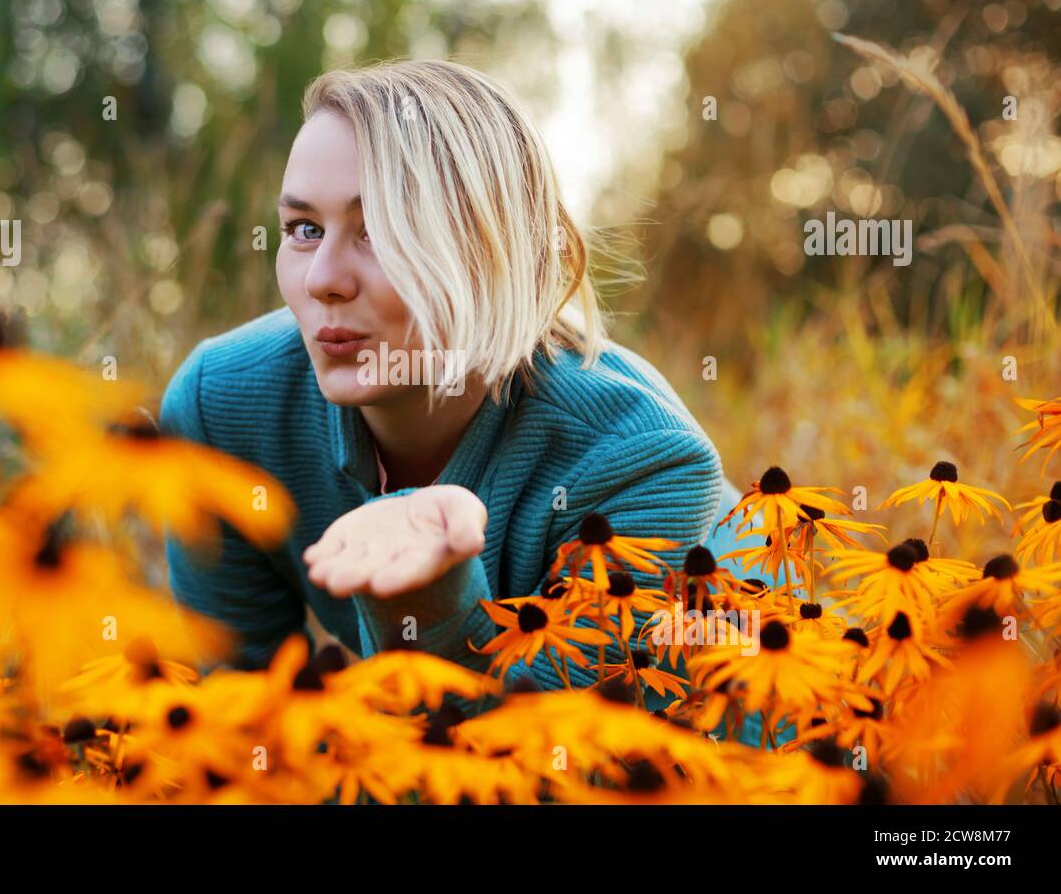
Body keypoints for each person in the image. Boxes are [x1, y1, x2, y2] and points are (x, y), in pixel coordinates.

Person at [161, 58, 747, 701]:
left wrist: (430, 603)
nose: (321, 278)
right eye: (304, 229)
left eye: (380, 232)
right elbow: (235, 720)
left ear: (497, 250)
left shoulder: (643, 460)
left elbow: (559, 759)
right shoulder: (219, 409)